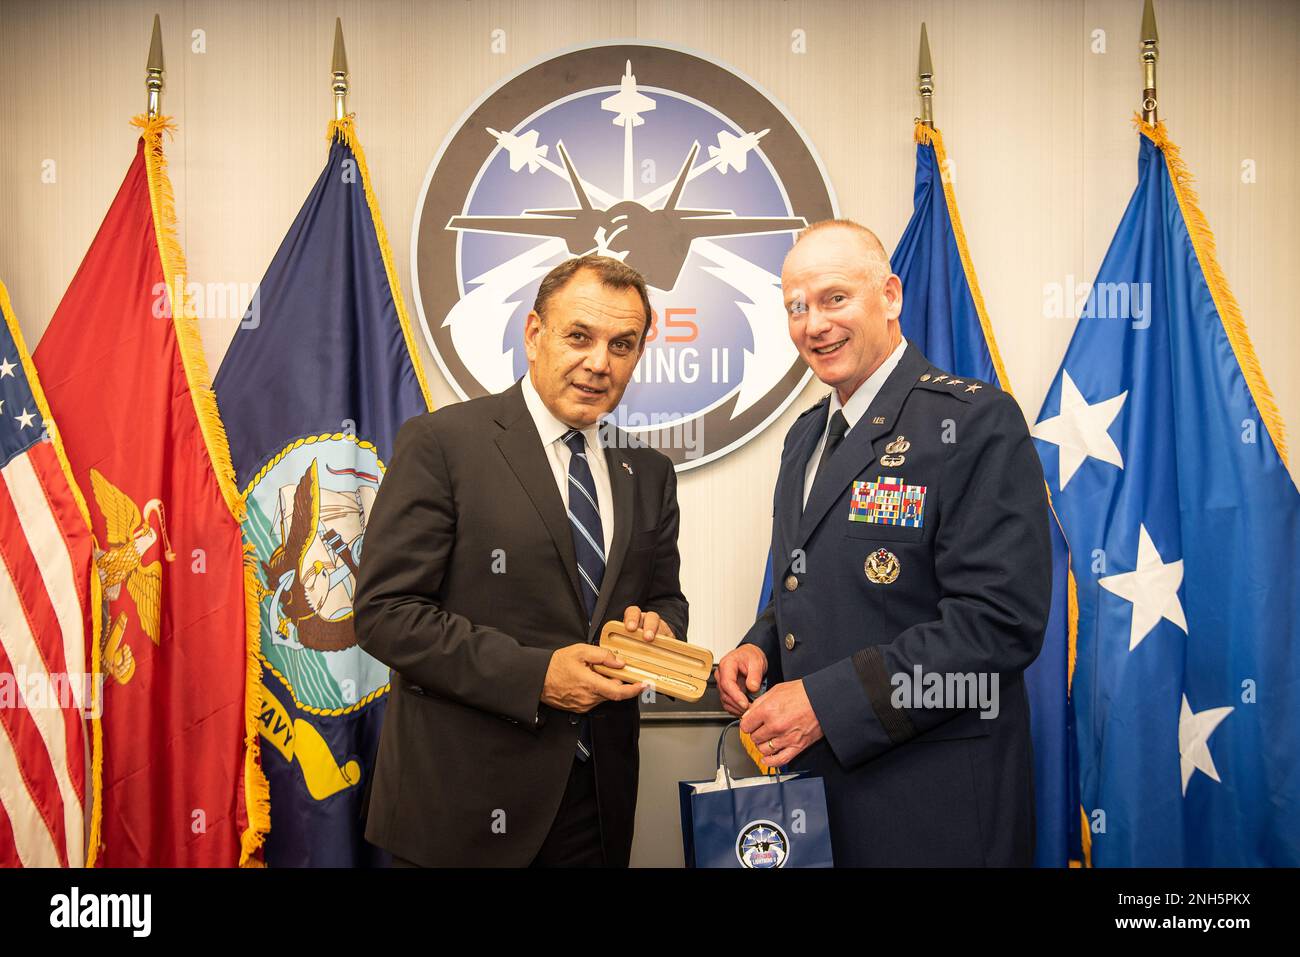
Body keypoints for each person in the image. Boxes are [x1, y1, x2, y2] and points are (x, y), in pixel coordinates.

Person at [717, 219, 1051, 866]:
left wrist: (827, 703)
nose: (813, 324)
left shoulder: (973, 421)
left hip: (934, 809)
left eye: (834, 297)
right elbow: (813, 578)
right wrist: (760, 645)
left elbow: (999, 623)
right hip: (820, 805)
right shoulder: (804, 438)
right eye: (796, 307)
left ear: (891, 296)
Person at [354, 254, 688, 867]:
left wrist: (659, 629)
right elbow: (385, 614)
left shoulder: (651, 472)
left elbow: (665, 597)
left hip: (595, 809)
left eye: (622, 344)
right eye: (579, 336)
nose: (598, 363)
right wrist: (536, 677)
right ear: (534, 334)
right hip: (461, 813)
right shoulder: (442, 444)